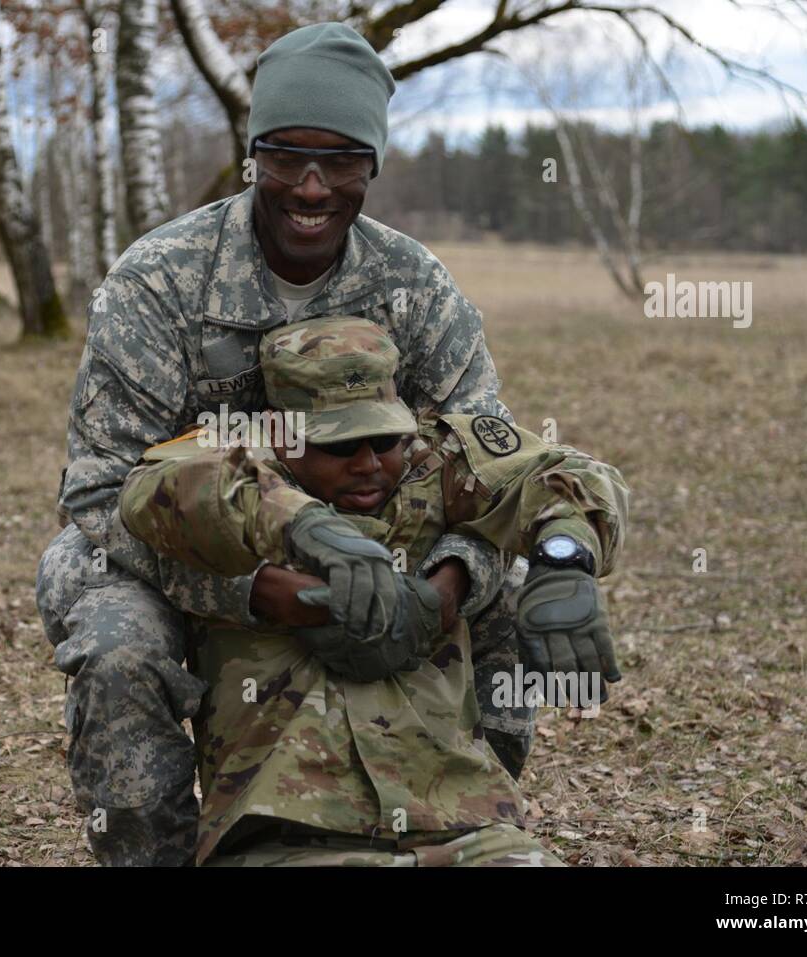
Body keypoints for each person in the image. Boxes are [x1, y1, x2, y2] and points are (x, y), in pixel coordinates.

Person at [38, 20, 546, 866]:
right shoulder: (160, 282)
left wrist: (447, 586)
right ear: (253, 156)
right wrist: (253, 591)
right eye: (285, 157)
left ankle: (465, 816)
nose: (312, 187)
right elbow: (98, 494)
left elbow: (485, 479)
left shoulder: (413, 290)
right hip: (189, 545)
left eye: (342, 160)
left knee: (522, 586)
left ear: (372, 164)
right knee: (115, 641)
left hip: (377, 547)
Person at [116, 315, 630, 866]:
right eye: (338, 446)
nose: (368, 465)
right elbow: (162, 491)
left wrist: (565, 558)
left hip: (466, 829)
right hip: (287, 834)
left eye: (383, 440)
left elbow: (564, 475)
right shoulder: (232, 471)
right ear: (279, 433)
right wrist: (303, 526)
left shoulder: (430, 466)